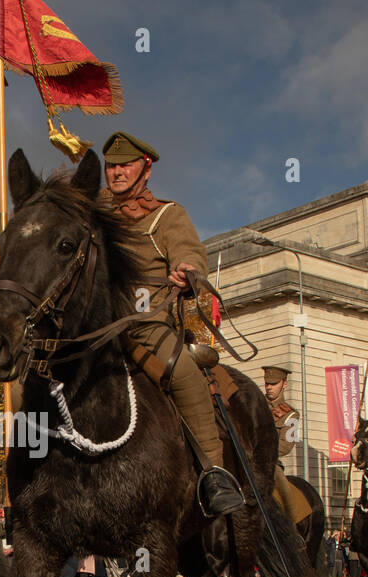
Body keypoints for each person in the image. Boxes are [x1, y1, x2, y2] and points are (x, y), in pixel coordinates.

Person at [101, 131, 243, 516]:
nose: (115, 172)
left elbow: (188, 249)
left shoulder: (166, 214)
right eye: (111, 165)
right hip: (94, 324)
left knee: (180, 370)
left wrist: (188, 268)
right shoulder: (91, 213)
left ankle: (215, 473)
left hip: (145, 324)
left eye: (124, 165)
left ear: (145, 169)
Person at [262, 366, 311, 521]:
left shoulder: (290, 414)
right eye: (267, 383)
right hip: (244, 457)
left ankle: (292, 530)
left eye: (273, 383)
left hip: (269, 463)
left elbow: (286, 445)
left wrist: (262, 452)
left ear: (284, 384)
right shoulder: (254, 405)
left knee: (285, 493)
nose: (269, 387)